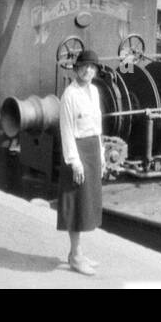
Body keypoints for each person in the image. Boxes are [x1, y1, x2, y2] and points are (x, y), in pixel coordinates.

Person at [57, 48, 103, 275]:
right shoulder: (69, 95)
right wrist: (75, 162)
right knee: (77, 204)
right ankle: (75, 256)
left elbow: (98, 126)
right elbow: (66, 130)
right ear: (76, 69)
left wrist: (101, 155)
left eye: (92, 67)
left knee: (87, 204)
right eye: (84, 66)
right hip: (77, 151)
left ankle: (78, 252)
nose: (88, 71)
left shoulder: (94, 91)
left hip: (93, 149)